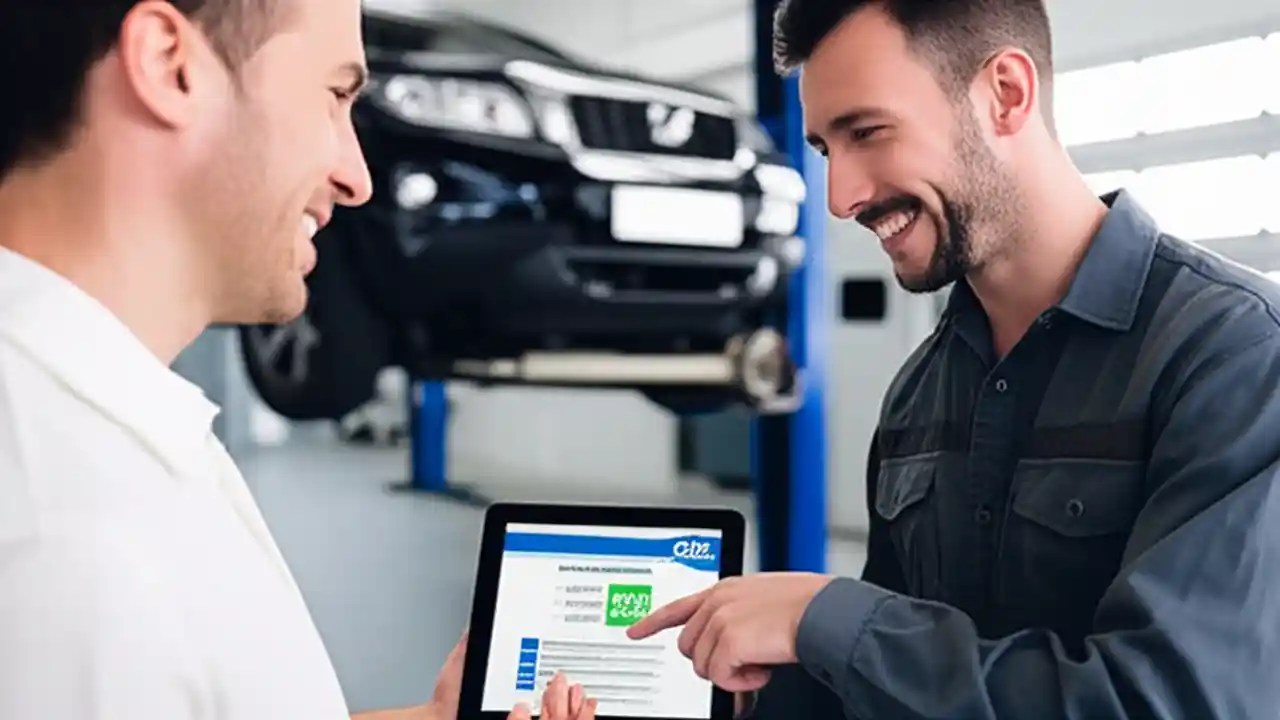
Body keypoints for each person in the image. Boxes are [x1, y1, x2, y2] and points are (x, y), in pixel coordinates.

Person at [627, 0, 1280, 718]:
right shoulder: (919, 393)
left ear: (1006, 94)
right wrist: (735, 692)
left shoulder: (1234, 358)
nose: (841, 197)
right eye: (824, 151)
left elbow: (1171, 703)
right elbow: (894, 695)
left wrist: (829, 618)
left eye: (868, 132)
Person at [0, 2, 597, 719]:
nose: (356, 177)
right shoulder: (60, 541)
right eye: (336, 96)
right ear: (170, 65)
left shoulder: (98, 428)